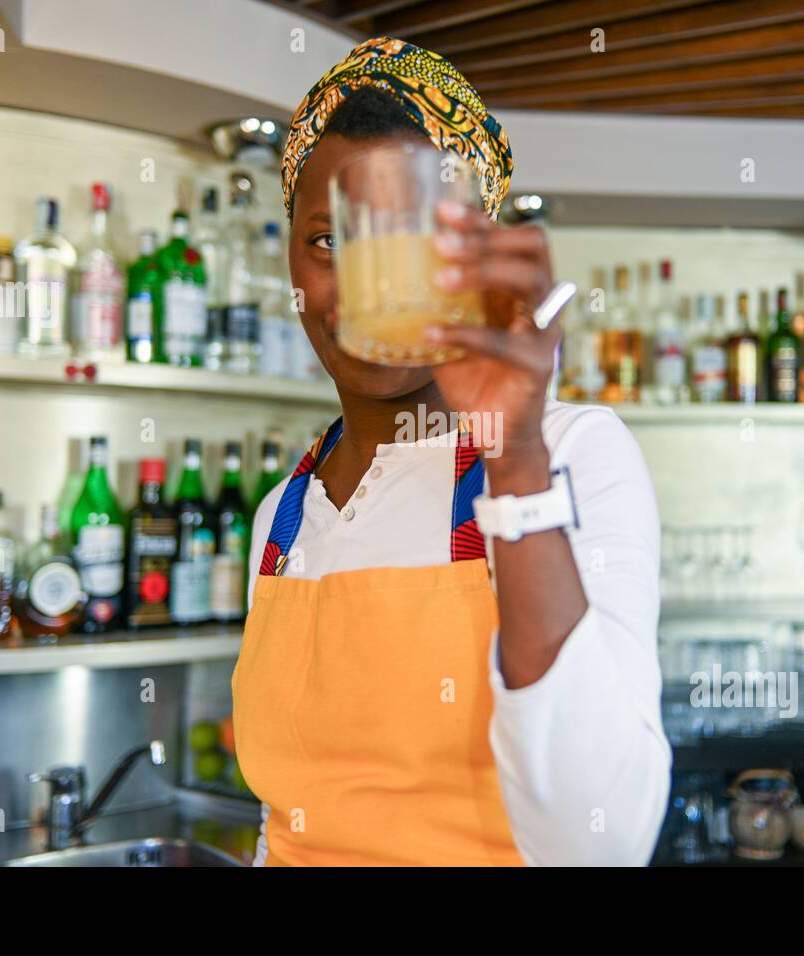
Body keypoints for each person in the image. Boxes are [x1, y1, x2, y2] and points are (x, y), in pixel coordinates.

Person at [232, 35, 669, 866]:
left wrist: (514, 459)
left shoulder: (574, 453)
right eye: (328, 241)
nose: (364, 286)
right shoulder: (280, 519)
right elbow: (282, 819)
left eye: (403, 241)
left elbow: (601, 846)